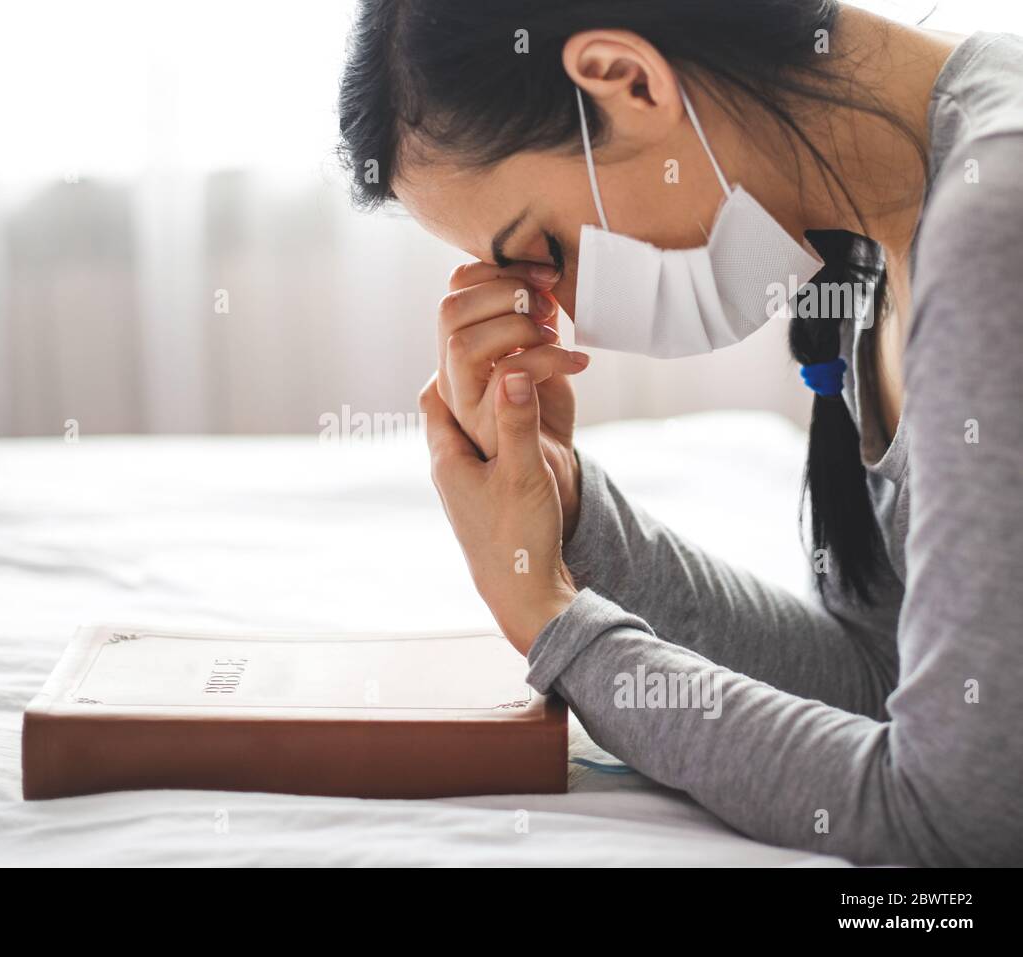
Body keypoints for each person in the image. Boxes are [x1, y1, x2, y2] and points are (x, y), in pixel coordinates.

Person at [337, 0, 1023, 865]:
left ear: (628, 80)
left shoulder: (998, 222)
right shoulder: (890, 233)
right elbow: (882, 686)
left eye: (547, 247)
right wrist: (571, 509)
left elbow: (958, 818)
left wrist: (556, 625)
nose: (567, 308)